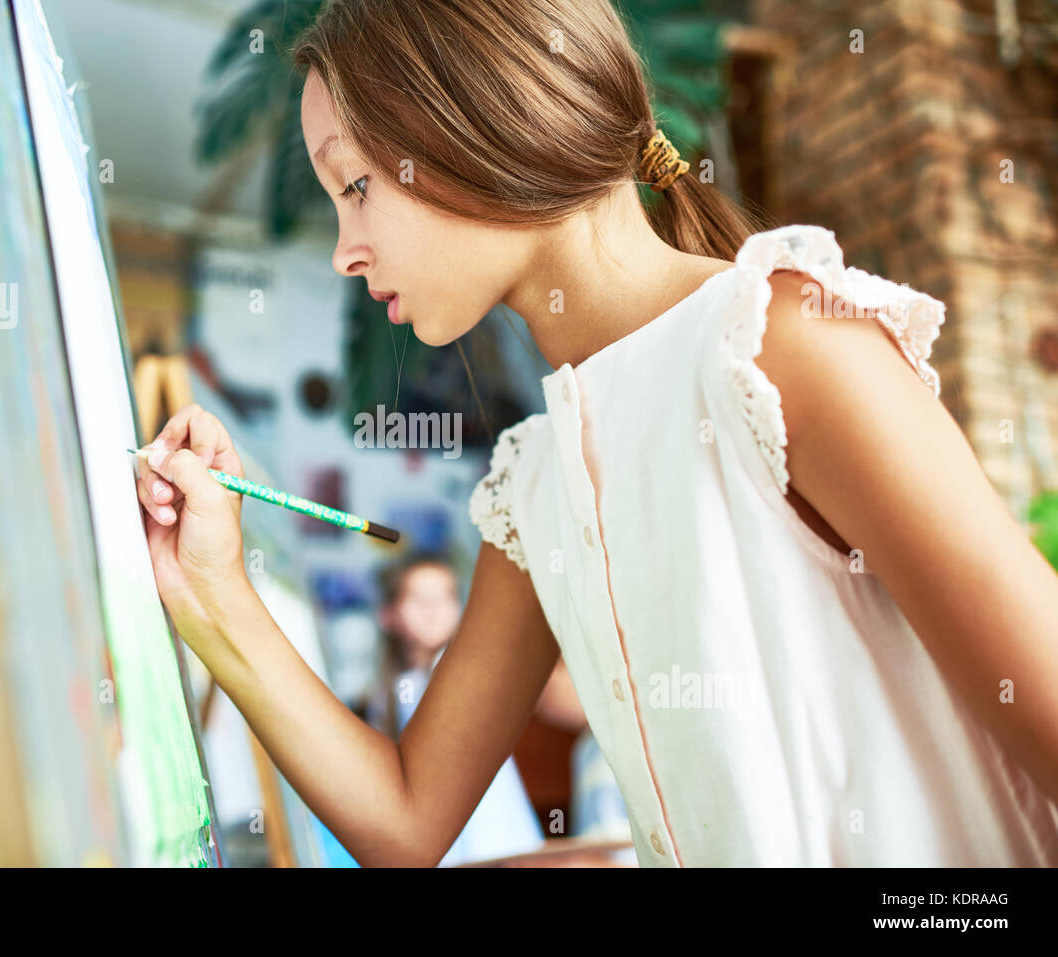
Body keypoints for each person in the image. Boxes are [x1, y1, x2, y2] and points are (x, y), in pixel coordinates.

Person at [133, 0, 1058, 866]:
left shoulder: (781, 347)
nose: (344, 249)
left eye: (359, 185)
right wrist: (210, 584)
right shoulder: (535, 486)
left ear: (477, 125)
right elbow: (407, 818)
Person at [366, 552, 545, 866]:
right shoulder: (390, 694)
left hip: (497, 844)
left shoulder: (466, 674)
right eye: (419, 599)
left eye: (446, 597)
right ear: (388, 614)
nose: (434, 611)